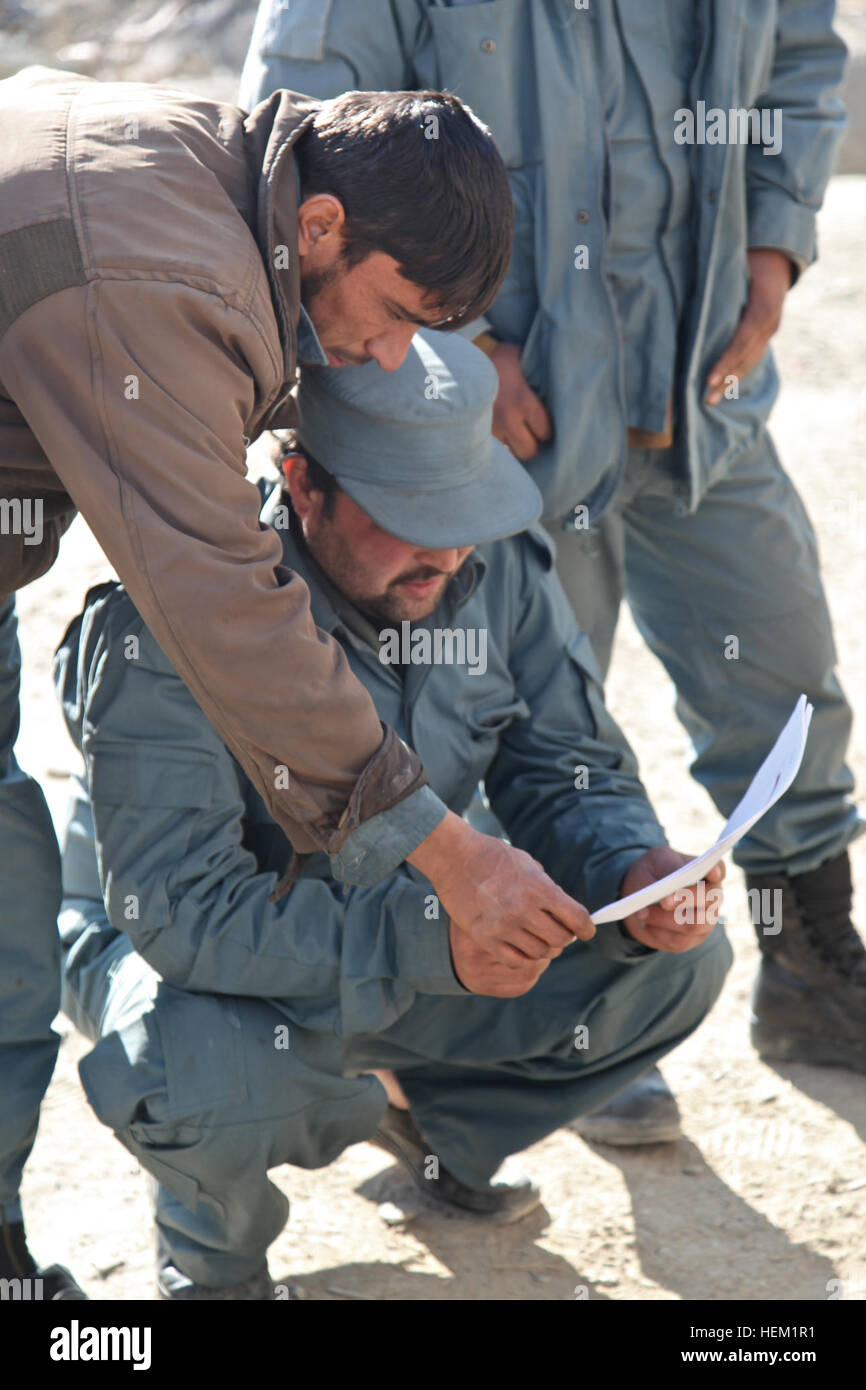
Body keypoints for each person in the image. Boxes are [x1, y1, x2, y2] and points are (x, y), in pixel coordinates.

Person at [0, 65, 584, 1296]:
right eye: (388, 315)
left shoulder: (207, 177)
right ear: (319, 227)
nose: (380, 357)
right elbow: (216, 598)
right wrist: (442, 850)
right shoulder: (169, 280)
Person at [239, 0, 865, 1146]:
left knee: (782, 672)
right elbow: (299, 151)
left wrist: (770, 259)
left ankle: (812, 963)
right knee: (505, 726)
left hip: (699, 397)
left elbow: (800, 63)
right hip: (497, 430)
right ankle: (556, 1016)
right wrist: (455, 348)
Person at [55, 329, 729, 1298]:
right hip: (175, 950)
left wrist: (628, 868)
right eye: (406, 512)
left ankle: (427, 1131)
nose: (443, 549)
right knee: (204, 1076)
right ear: (301, 483)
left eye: (463, 509)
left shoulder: (488, 569)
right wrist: (433, 943)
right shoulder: (173, 623)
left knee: (671, 964)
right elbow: (180, 912)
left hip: (404, 921)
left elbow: (565, 764)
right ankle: (214, 1268)